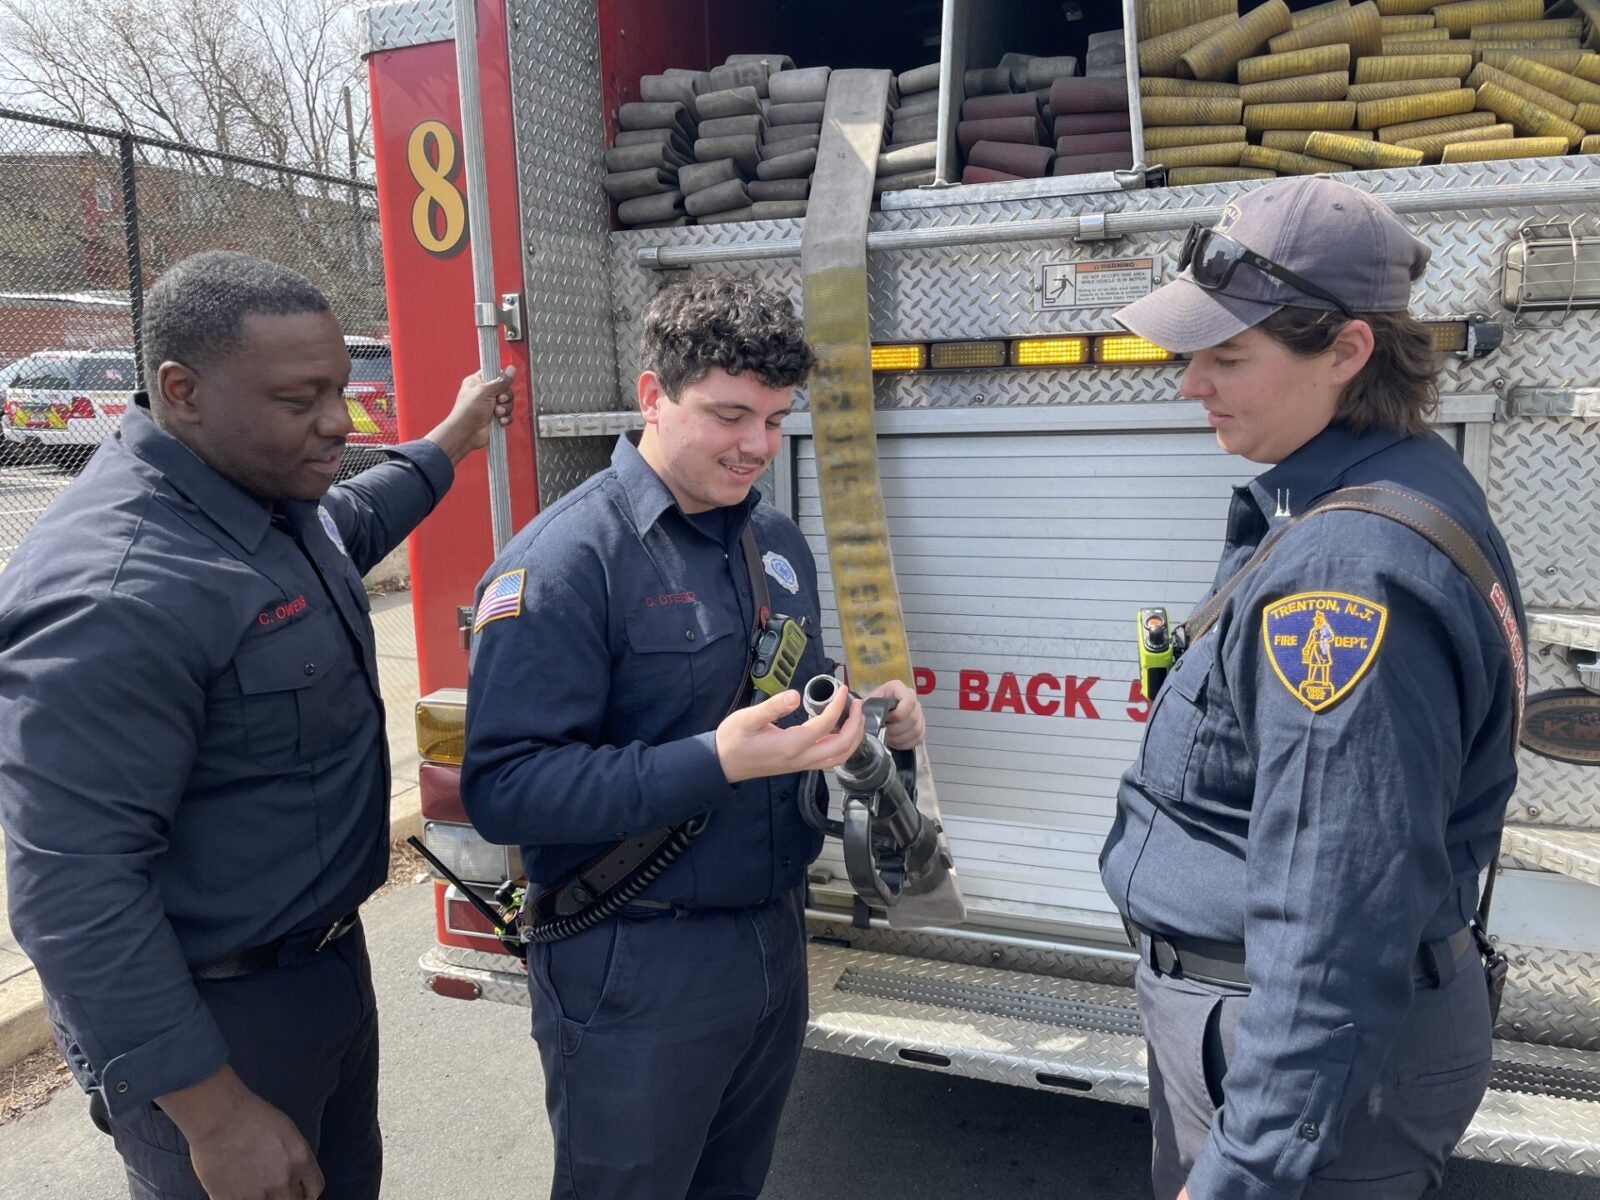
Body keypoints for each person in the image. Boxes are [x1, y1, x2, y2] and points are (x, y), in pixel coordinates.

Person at [0, 249, 514, 1200]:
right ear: (182, 391)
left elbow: (356, 516)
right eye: (300, 399)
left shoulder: (265, 500)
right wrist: (212, 1110)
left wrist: (455, 435)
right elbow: (73, 887)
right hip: (215, 1028)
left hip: (317, 976)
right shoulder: (119, 590)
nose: (339, 422)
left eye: (340, 389)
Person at [1099, 176, 1524, 1200]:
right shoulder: (1374, 488)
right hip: (1300, 1045)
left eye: (1228, 356)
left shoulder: (1346, 569)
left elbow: (1338, 904)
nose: (1191, 381)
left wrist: (1251, 1167)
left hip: (1292, 1065)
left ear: (1345, 351)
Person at [462, 274, 925, 1200]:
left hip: (769, 942)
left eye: (774, 419)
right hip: (631, 959)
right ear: (651, 397)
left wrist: (866, 722)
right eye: (729, 416)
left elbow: (792, 704)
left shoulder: (777, 544)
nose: (757, 445)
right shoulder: (562, 564)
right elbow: (504, 790)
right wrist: (712, 760)